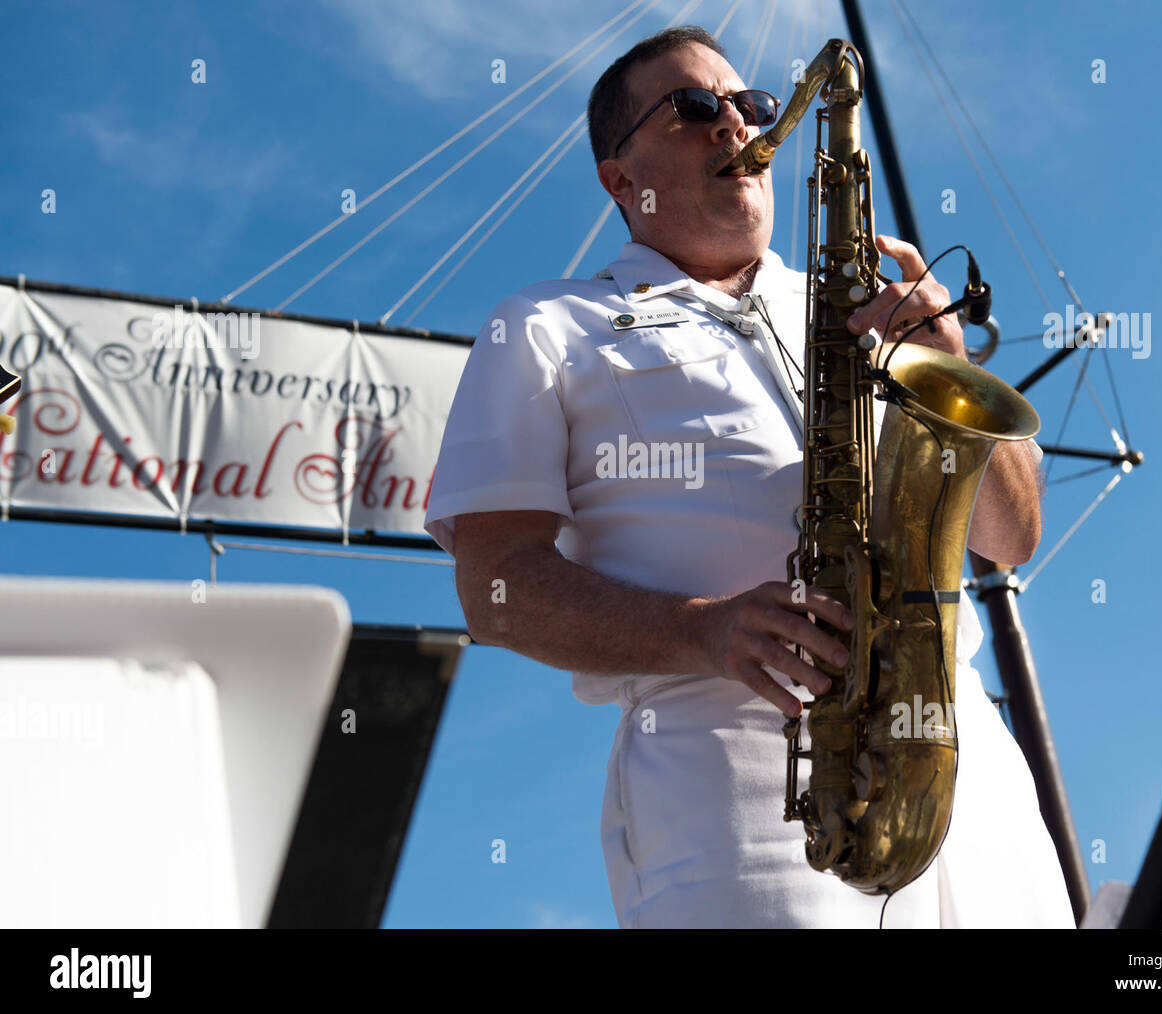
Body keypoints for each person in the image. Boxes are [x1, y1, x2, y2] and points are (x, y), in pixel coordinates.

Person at [424, 26, 1074, 928]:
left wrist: (950, 364)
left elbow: (1011, 537)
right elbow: (494, 589)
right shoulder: (545, 326)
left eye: (753, 105)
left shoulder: (868, 314)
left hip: (966, 766)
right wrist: (703, 630)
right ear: (619, 177)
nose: (738, 122)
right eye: (694, 108)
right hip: (739, 775)